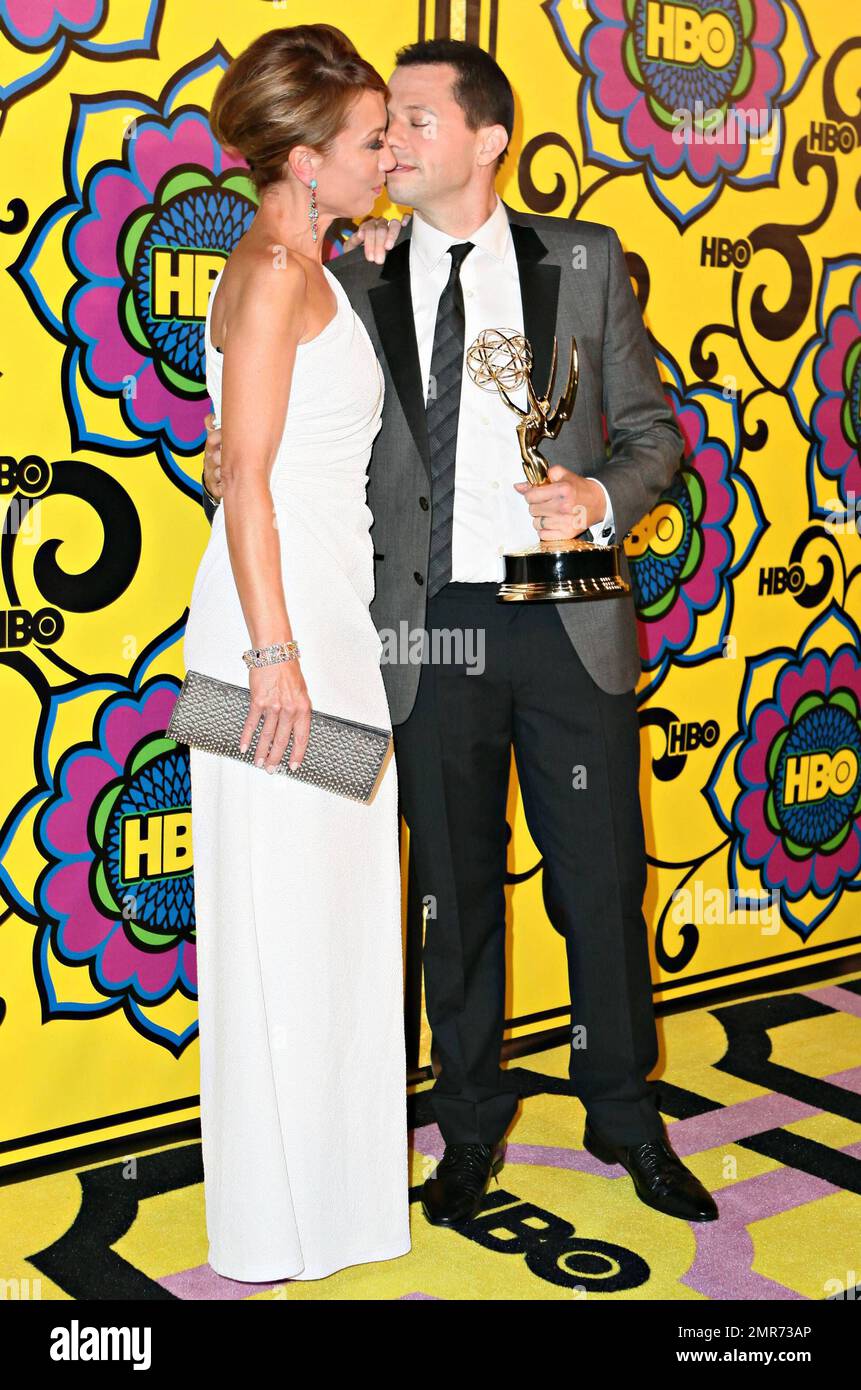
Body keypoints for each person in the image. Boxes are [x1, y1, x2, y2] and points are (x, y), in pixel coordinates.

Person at [203, 39, 719, 1228]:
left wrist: (600, 499)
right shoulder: (355, 280)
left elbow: (654, 433)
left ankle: (627, 1119)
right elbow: (261, 448)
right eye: (381, 131)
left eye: (415, 122)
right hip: (418, 632)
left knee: (598, 880)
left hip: (566, 617)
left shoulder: (583, 260)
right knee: (452, 891)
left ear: (488, 140)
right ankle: (469, 1128)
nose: (393, 145)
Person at [182, 24, 412, 1282]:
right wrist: (274, 656)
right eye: (373, 139)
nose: (388, 154)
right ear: (308, 159)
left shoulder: (297, 260)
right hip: (273, 636)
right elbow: (248, 487)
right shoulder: (273, 268)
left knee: (326, 917)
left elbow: (240, 446)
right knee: (282, 917)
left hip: (316, 622)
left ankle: (331, 1202)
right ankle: (279, 1221)